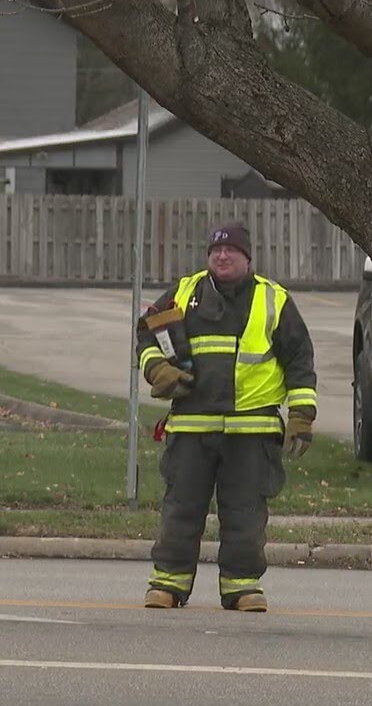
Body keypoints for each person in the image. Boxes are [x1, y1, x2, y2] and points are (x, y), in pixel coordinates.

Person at [136, 222, 317, 612]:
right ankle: (167, 583)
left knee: (245, 514)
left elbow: (299, 359)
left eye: (231, 250)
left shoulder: (274, 300)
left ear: (247, 257)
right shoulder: (184, 292)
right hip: (191, 427)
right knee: (181, 508)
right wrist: (157, 370)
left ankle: (242, 587)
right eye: (216, 250)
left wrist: (302, 414)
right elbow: (147, 332)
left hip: (251, 431)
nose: (222, 256)